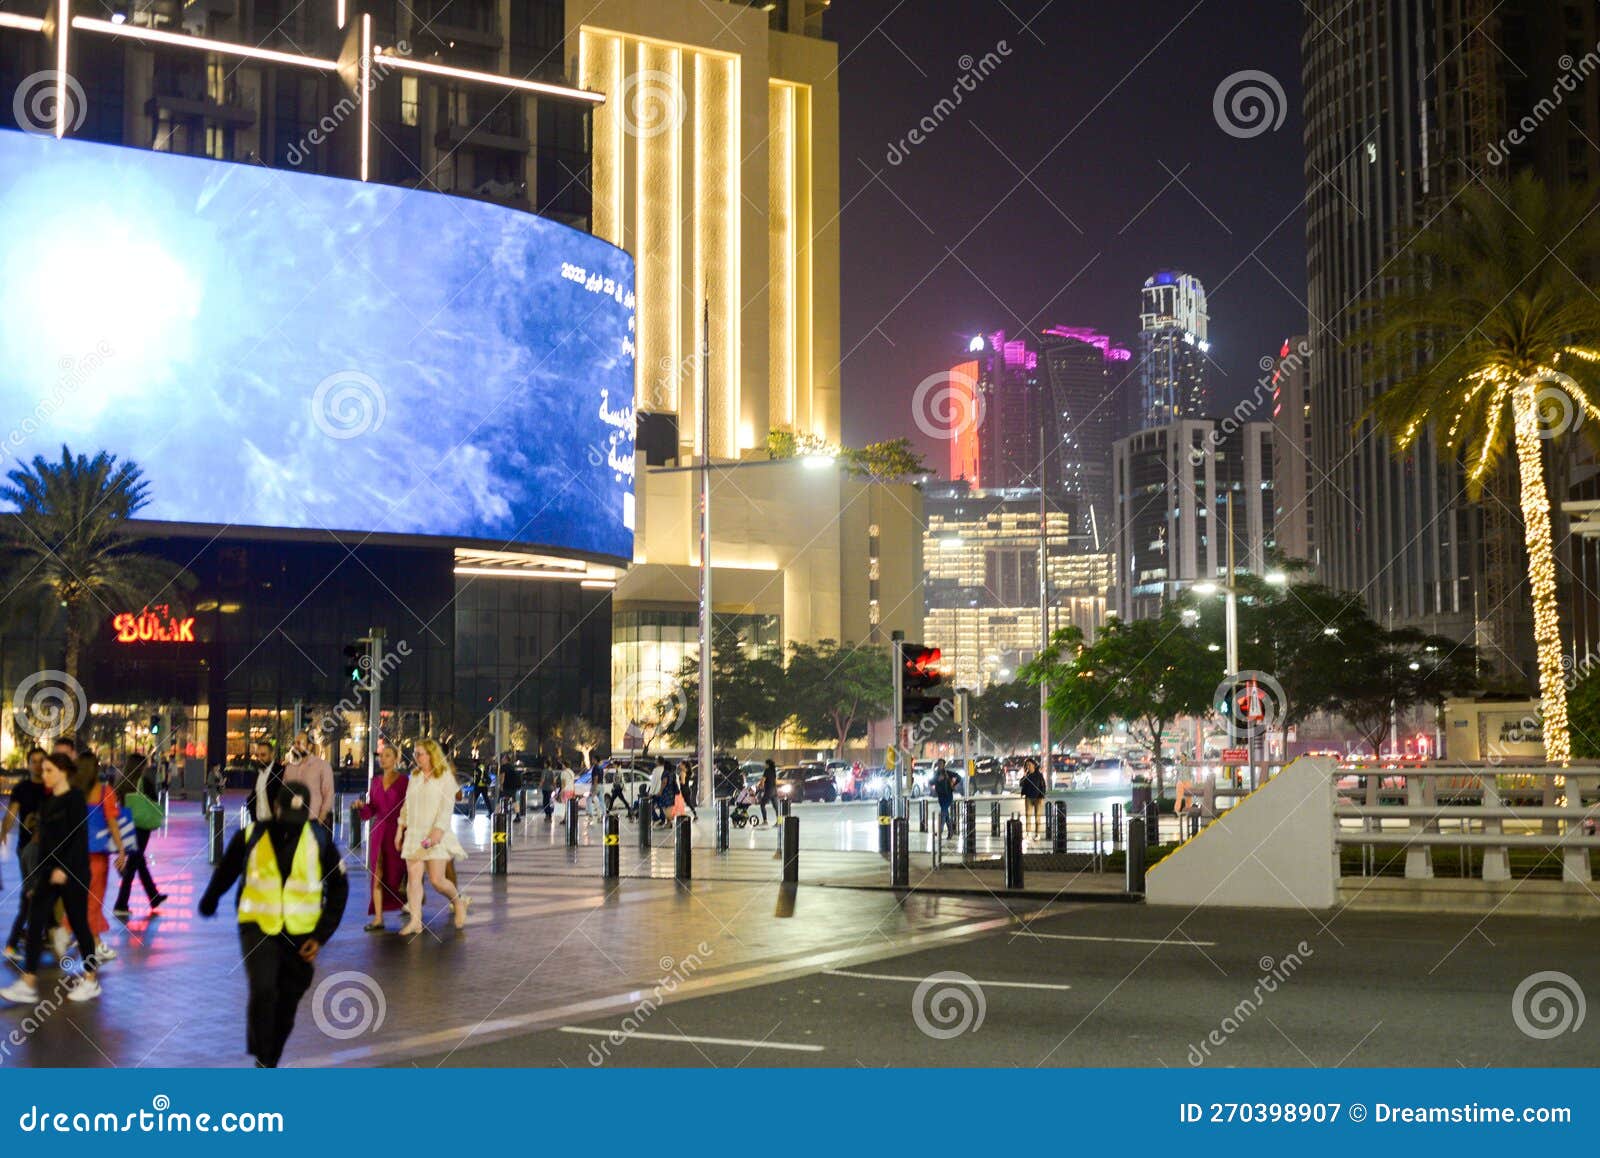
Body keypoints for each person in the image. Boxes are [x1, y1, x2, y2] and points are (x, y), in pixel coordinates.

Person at [197, 787, 349, 1067]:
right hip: (257, 926)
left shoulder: (319, 840)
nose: (292, 824)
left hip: (301, 935)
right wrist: (210, 900)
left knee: (287, 1004)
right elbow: (227, 870)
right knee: (263, 989)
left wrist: (320, 936)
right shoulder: (251, 836)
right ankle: (263, 1055)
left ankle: (268, 1060)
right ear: (276, 808)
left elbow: (340, 887)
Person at [1, 754, 103, 1005]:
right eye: (43, 770)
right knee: (36, 921)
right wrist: (36, 880)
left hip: (74, 872)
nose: (43, 774)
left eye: (49, 770)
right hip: (49, 872)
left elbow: (77, 839)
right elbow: (44, 844)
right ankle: (28, 983)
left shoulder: (75, 799)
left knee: (79, 924)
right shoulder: (47, 802)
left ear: (63, 772)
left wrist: (64, 869)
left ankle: (91, 980)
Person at [395, 738, 469, 936]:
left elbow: (446, 808)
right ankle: (415, 921)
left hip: (436, 834)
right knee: (413, 878)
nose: (416, 757)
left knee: (437, 880)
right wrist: (400, 828)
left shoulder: (445, 777)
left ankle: (458, 902)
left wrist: (437, 832)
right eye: (415, 754)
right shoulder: (415, 776)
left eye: (420, 753)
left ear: (431, 755)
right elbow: (407, 804)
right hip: (414, 833)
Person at [74, 752, 127, 962]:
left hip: (74, 855)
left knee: (80, 899)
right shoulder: (104, 792)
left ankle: (91, 941)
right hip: (97, 856)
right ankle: (93, 944)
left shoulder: (72, 792)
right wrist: (121, 849)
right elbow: (113, 824)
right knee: (94, 900)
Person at [355, 744, 408, 932]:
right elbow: (371, 810)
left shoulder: (404, 781)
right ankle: (378, 918)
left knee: (395, 873)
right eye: (381, 755)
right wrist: (362, 807)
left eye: (387, 755)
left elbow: (409, 808)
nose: (382, 759)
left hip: (397, 832)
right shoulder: (375, 782)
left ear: (396, 759)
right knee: (377, 874)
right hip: (378, 831)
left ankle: (407, 901)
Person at [2, 748, 47, 963]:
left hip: (48, 849)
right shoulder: (22, 788)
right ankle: (13, 942)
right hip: (27, 849)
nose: (37, 765)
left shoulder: (51, 786)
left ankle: (32, 935)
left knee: (39, 894)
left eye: (41, 761)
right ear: (28, 764)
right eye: (33, 761)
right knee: (30, 894)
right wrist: (3, 832)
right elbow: (11, 813)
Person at [112, 753, 168, 918]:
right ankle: (121, 903)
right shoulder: (144, 781)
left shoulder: (121, 781)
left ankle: (154, 896)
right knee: (133, 864)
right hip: (141, 826)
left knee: (139, 861)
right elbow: (154, 799)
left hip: (126, 824)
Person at [283, 732, 334, 828]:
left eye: (299, 743)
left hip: (313, 822)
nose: (295, 746)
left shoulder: (322, 766)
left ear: (309, 746)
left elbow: (328, 794)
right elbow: (284, 793)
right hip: (292, 822)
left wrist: (320, 820)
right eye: (294, 743)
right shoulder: (289, 768)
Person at [245, 739, 284, 824]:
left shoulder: (281, 772)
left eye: (263, 755)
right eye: (257, 755)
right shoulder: (257, 773)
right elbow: (254, 796)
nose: (259, 758)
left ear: (272, 754)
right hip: (258, 824)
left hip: (275, 825)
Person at [1020, 757, 1047, 841]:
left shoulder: (1039, 775)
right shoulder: (1027, 775)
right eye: (1027, 765)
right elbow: (1021, 784)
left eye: (1030, 764)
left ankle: (1037, 833)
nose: (1028, 766)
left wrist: (1042, 796)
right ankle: (1028, 833)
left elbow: (1043, 786)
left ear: (1034, 765)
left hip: (1038, 798)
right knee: (1028, 816)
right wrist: (1024, 776)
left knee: (1037, 816)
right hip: (1028, 798)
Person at [932, 758, 956, 839]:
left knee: (943, 814)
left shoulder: (948, 773)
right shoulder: (936, 774)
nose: (939, 765)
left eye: (941, 764)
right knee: (946, 815)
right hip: (941, 797)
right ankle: (951, 832)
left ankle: (940, 831)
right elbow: (931, 782)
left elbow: (958, 777)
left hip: (948, 796)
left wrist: (953, 783)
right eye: (938, 764)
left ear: (944, 765)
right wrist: (938, 780)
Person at [758, 759, 779, 825]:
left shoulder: (767, 770)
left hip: (769, 791)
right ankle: (779, 821)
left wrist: (760, 786)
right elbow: (775, 781)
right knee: (776, 807)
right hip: (774, 790)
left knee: (762, 804)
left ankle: (765, 821)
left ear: (768, 764)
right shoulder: (773, 771)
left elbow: (763, 780)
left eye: (765, 764)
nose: (765, 765)